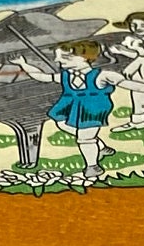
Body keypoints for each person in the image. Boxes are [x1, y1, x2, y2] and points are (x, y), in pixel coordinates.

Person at [47, 42, 119, 181]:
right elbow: (44, 77)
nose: (57, 60)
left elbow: (127, 83)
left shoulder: (100, 76)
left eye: (64, 57)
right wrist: (24, 66)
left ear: (85, 57)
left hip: (92, 108)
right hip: (71, 104)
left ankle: (92, 167)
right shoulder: (65, 76)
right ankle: (100, 146)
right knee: (62, 124)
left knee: (85, 138)